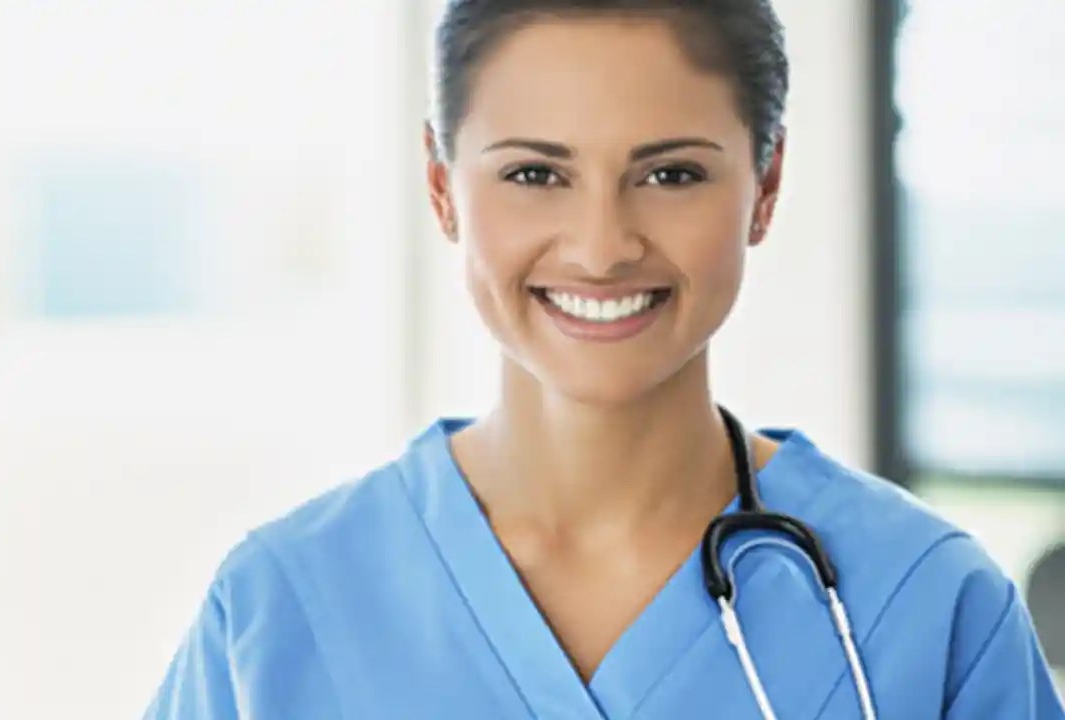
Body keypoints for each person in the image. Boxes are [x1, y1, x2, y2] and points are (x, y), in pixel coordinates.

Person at [144, 1, 1065, 717]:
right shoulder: (281, 608)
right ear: (441, 187)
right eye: (534, 174)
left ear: (766, 187)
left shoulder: (928, 606)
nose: (601, 246)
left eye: (671, 174)